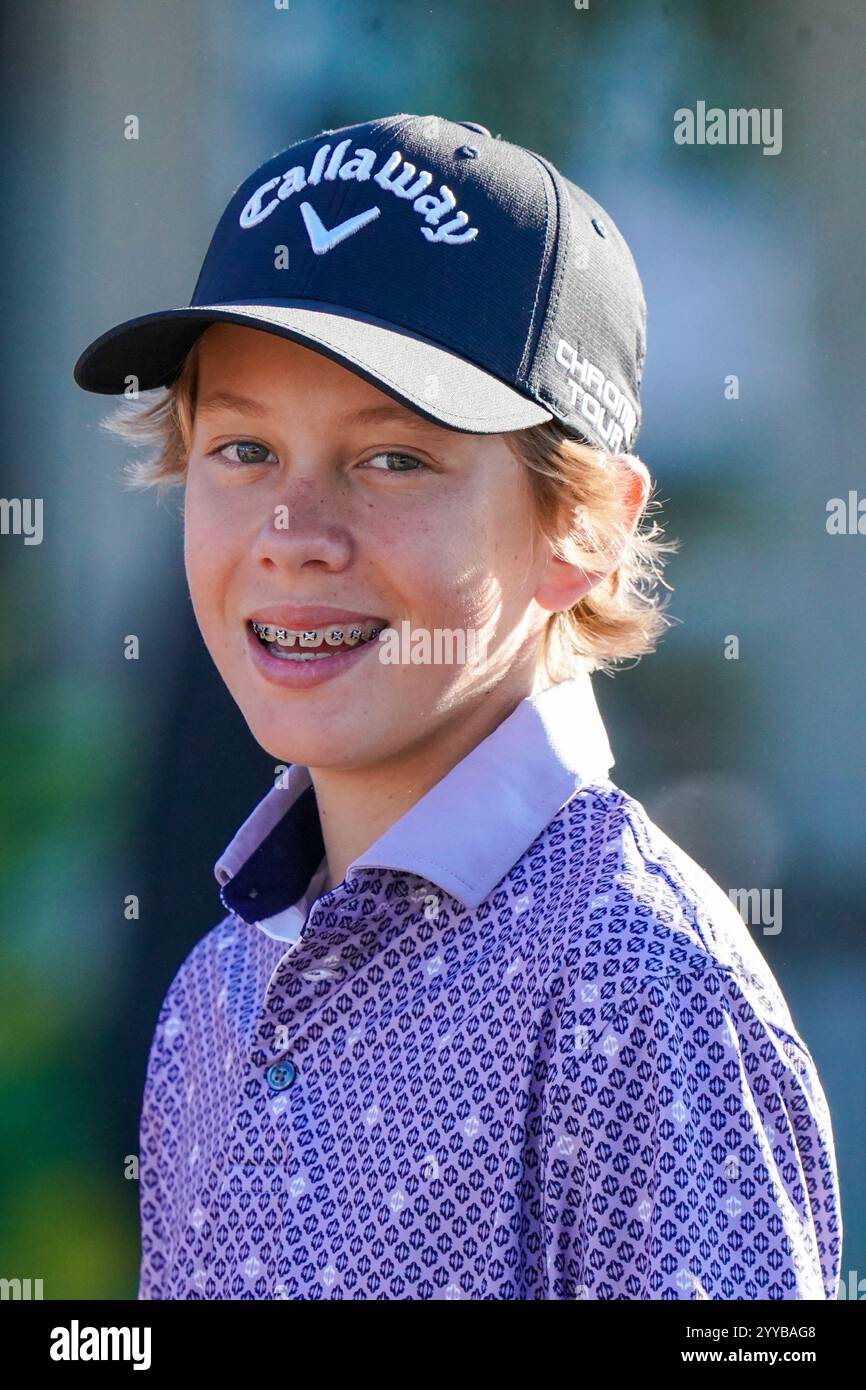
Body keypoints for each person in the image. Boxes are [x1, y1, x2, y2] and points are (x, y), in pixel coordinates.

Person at [74, 113, 842, 1300]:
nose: (295, 537)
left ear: (581, 528)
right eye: (241, 451)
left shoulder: (639, 985)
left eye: (393, 460)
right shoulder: (214, 992)